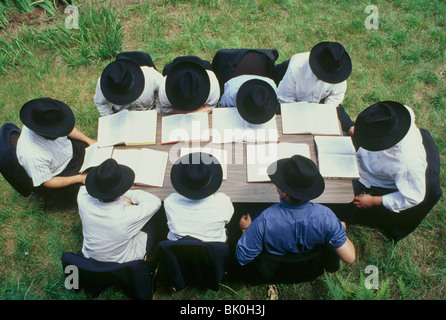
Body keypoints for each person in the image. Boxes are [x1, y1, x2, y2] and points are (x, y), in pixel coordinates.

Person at [235, 155, 356, 268]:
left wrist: (246, 229)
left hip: (274, 267)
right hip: (308, 268)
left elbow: (242, 257)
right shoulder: (327, 218)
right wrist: (339, 228)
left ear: (284, 192)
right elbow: (350, 258)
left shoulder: (264, 220)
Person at [330, 101, 428, 239]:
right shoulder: (399, 115)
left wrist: (375, 201)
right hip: (362, 154)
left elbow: (413, 196)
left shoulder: (408, 163)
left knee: (330, 191)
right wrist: (359, 131)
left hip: (369, 177)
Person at [77, 158, 163, 263]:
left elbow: (85, 189)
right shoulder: (128, 215)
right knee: (153, 221)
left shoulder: (82, 199)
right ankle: (150, 257)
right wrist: (126, 193)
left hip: (90, 257)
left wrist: (117, 192)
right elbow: (155, 202)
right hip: (122, 261)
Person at [16, 97, 96, 201]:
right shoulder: (31, 155)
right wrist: (80, 178)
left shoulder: (42, 120)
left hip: (70, 149)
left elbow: (67, 129)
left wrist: (88, 140)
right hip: (62, 174)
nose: (60, 133)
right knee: (98, 182)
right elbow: (48, 182)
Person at [276, 42, 354, 134]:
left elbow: (335, 99)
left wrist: (322, 115)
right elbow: (285, 98)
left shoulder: (339, 74)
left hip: (319, 106)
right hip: (292, 104)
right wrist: (303, 117)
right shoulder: (296, 67)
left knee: (349, 128)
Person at [164, 152, 234, 242]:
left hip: (177, 246)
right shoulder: (223, 202)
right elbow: (227, 221)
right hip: (213, 246)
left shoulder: (170, 202)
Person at [94, 52, 164, 116]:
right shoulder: (104, 84)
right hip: (121, 117)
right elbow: (101, 103)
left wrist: (158, 112)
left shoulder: (151, 75)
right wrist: (110, 118)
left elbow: (162, 91)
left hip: (149, 112)